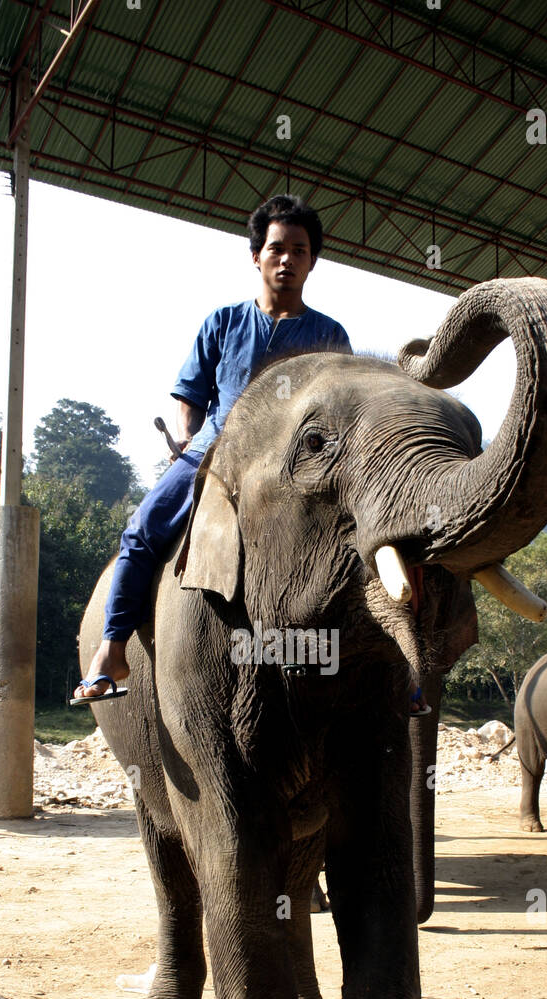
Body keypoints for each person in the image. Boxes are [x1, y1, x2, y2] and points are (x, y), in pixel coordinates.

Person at [73, 194, 352, 703]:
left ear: (313, 261)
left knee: (373, 539)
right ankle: (111, 651)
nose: (286, 258)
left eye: (299, 249)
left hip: (296, 464)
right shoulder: (223, 322)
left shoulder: (329, 335)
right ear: (256, 257)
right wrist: (187, 441)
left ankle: (400, 676)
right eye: (276, 248)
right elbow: (189, 396)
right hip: (215, 452)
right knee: (141, 530)